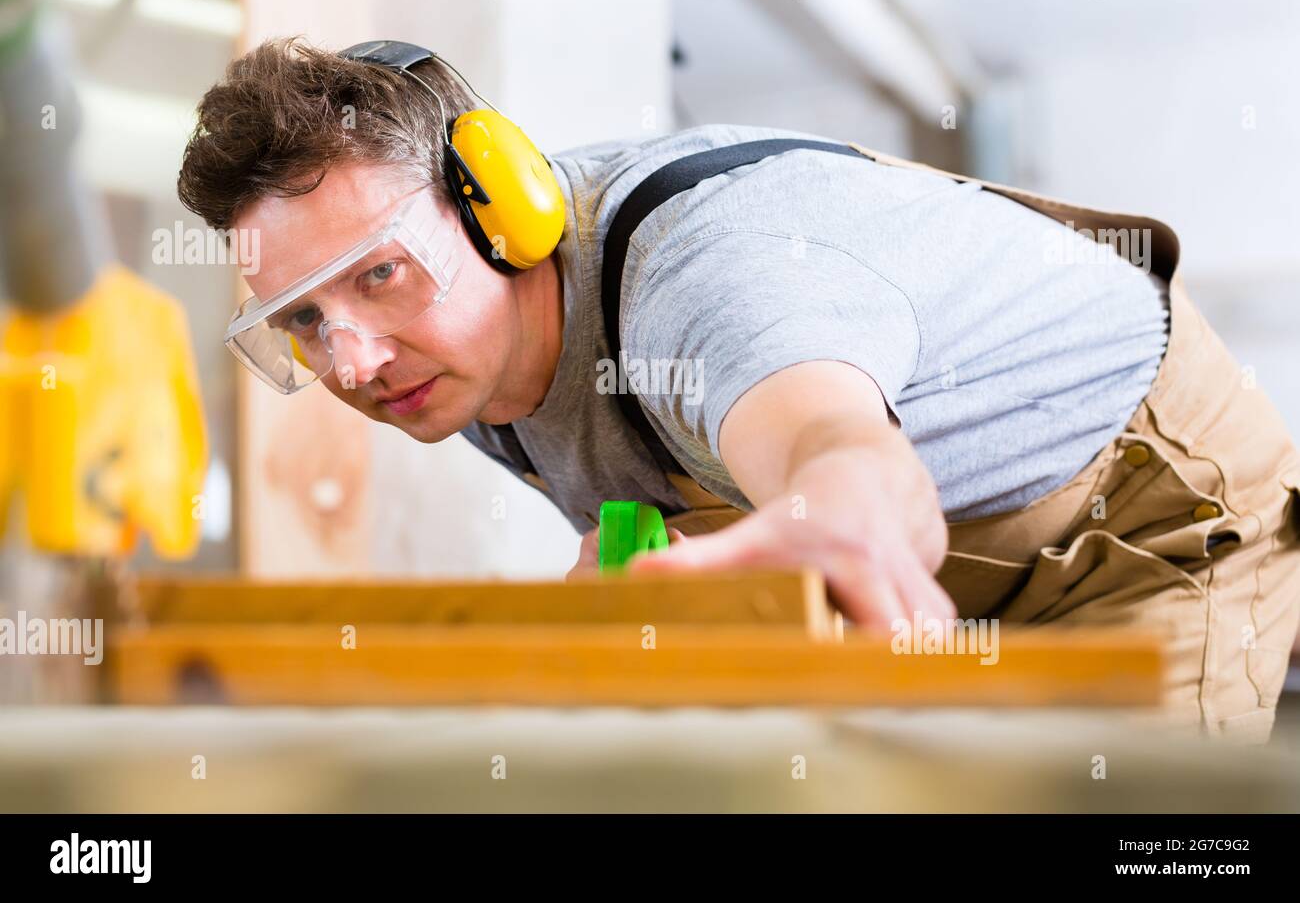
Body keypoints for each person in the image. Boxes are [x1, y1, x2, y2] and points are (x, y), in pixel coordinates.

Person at [178, 38, 1300, 741]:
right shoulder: (456, 368)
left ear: (496, 207)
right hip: (947, 576)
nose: (354, 362)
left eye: (380, 274)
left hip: (1153, 514)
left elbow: (846, 469)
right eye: (304, 322)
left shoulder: (706, 272)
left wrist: (835, 516)